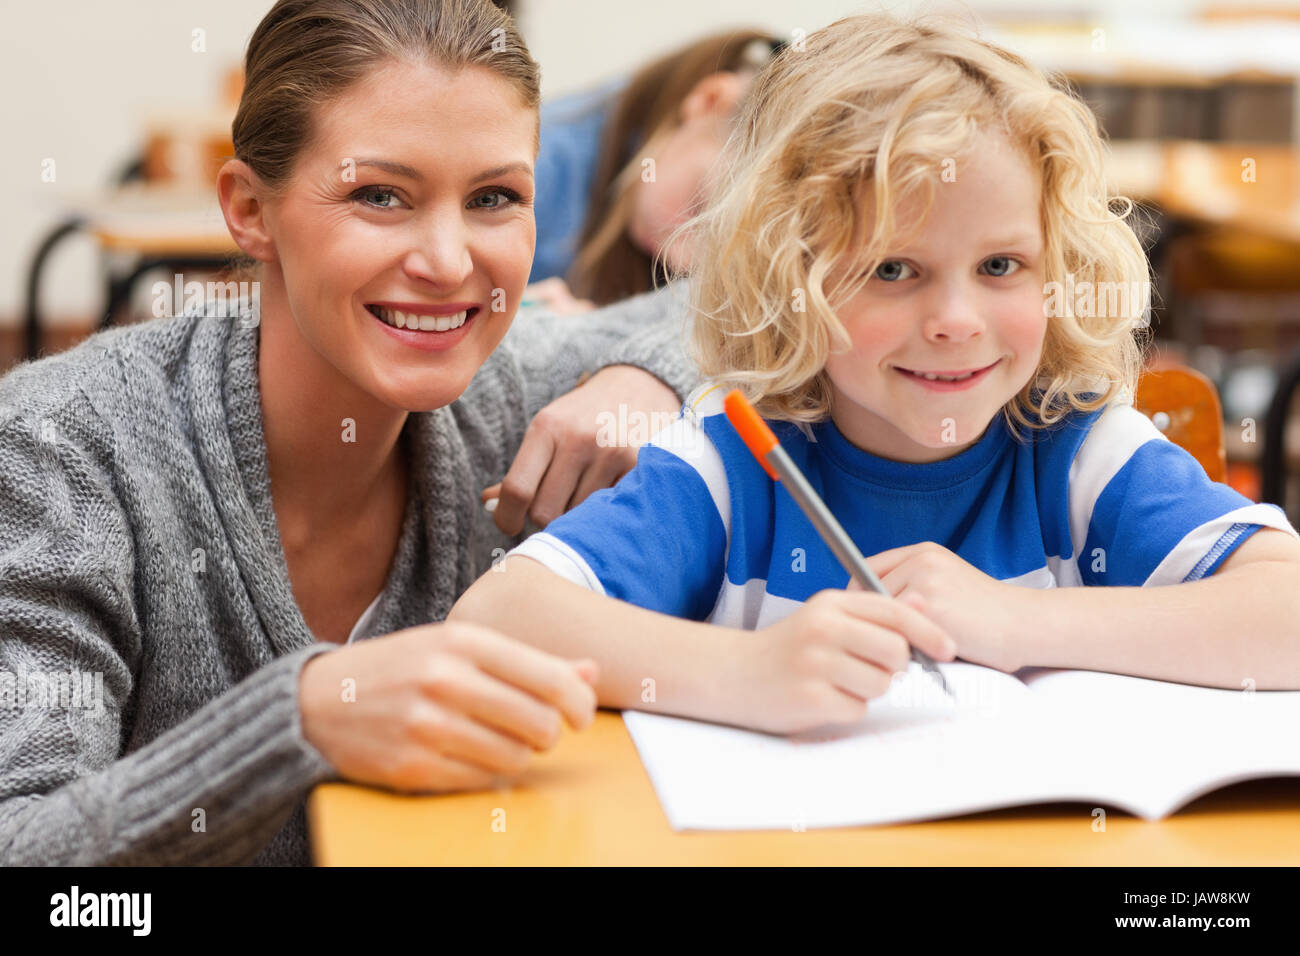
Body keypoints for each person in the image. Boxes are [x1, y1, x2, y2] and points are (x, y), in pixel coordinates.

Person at [449, 14, 1300, 735]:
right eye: (894, 270)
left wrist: (1017, 621)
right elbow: (495, 621)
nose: (957, 320)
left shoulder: (1078, 451)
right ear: (791, 280)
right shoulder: (733, 464)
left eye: (1002, 265)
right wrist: (747, 673)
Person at [0, 0, 696, 865]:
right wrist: (302, 719)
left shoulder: (515, 386)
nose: (448, 262)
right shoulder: (64, 451)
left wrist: (645, 375)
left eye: (493, 197)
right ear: (250, 209)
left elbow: (734, 303)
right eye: (379, 195)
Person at [531, 30, 782, 306]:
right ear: (711, 100)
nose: (682, 262)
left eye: (719, 252)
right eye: (697, 209)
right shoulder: (539, 165)